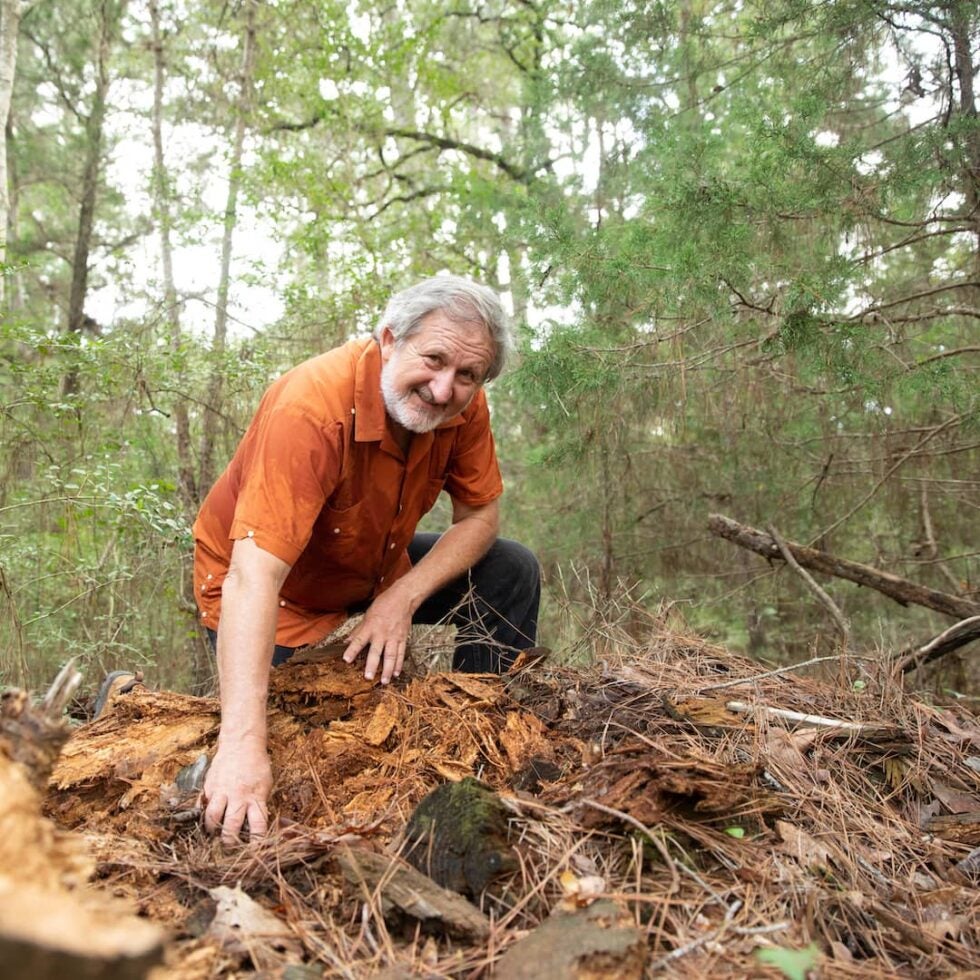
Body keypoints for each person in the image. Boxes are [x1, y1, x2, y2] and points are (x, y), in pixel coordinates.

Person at [192, 275, 540, 843]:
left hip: (373, 565)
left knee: (510, 568)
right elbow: (254, 577)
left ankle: (483, 740)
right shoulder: (309, 409)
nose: (443, 388)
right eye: (433, 359)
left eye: (467, 376)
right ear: (388, 339)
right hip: (276, 589)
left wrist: (399, 598)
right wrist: (241, 745)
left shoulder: (462, 406)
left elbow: (480, 518)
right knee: (286, 739)